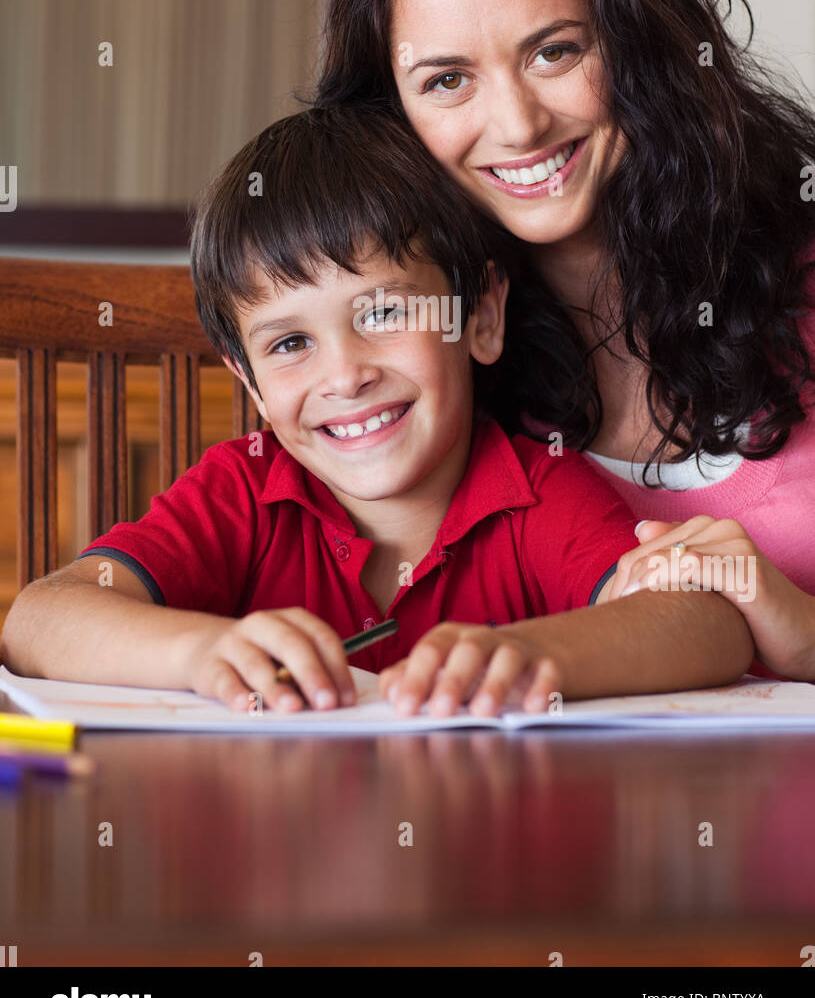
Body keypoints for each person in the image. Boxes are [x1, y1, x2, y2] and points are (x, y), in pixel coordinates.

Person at [0, 104, 754, 717]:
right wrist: (196, 655)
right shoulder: (243, 489)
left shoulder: (535, 487)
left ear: (481, 318)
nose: (346, 375)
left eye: (385, 312)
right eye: (291, 342)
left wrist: (536, 655)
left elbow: (704, 623)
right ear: (252, 383)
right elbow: (39, 619)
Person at [315, 0, 815, 700]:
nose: (515, 125)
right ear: (386, 121)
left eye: (555, 52)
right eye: (446, 81)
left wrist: (801, 633)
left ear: (637, 47)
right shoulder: (408, 366)